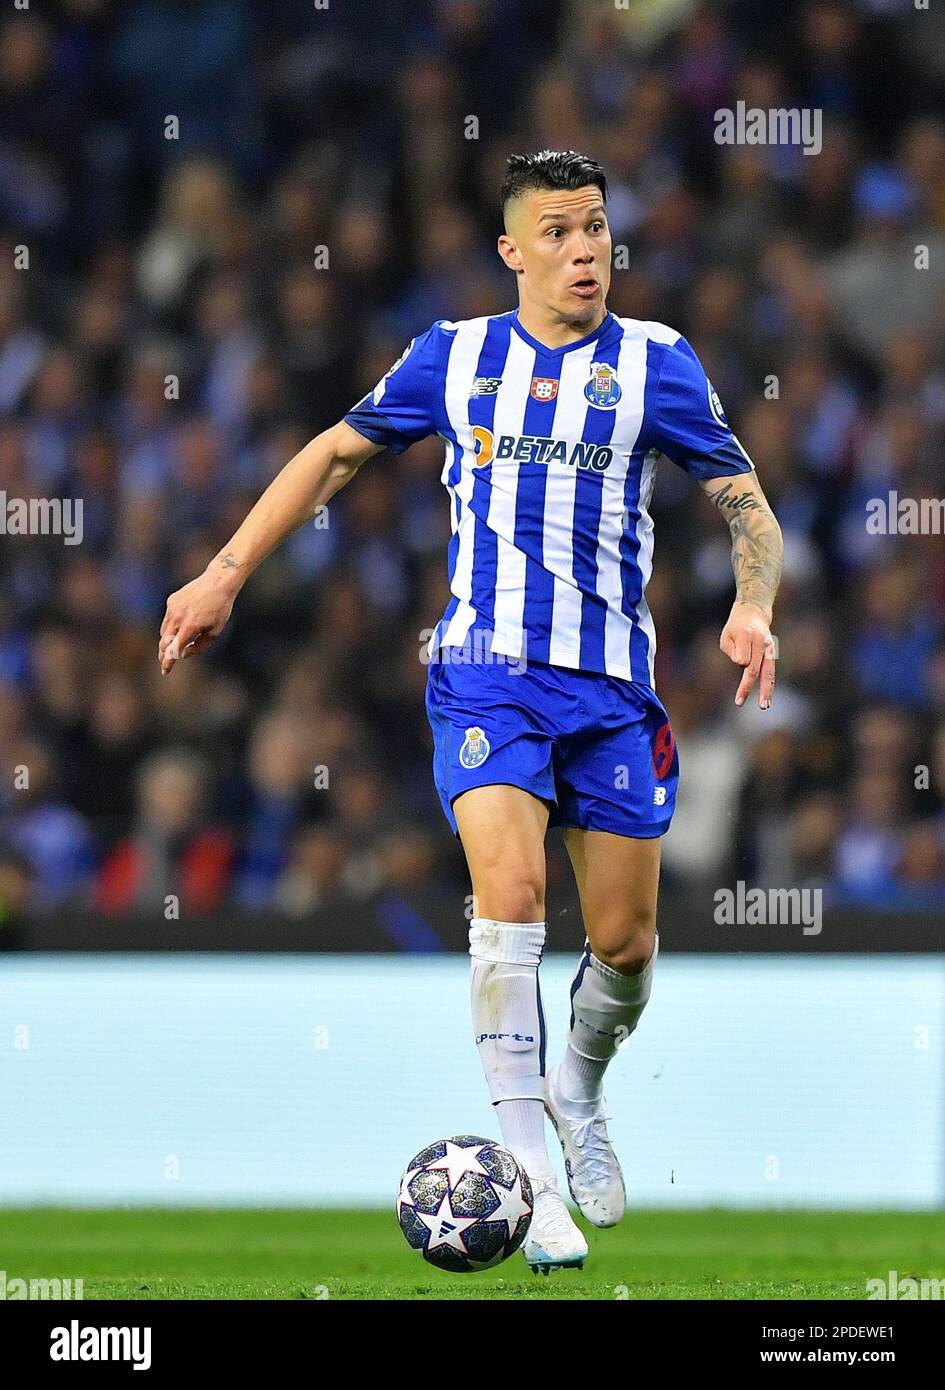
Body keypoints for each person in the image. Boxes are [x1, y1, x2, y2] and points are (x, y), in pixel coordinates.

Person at [159, 150, 782, 1273]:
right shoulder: (454, 358)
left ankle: (577, 1087)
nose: (585, 249)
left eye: (596, 226)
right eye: (557, 232)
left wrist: (752, 604)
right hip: (485, 670)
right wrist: (223, 573)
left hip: (613, 688)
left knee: (627, 947)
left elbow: (751, 511)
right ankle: (531, 1176)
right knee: (511, 893)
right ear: (512, 252)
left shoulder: (659, 366)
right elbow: (335, 454)